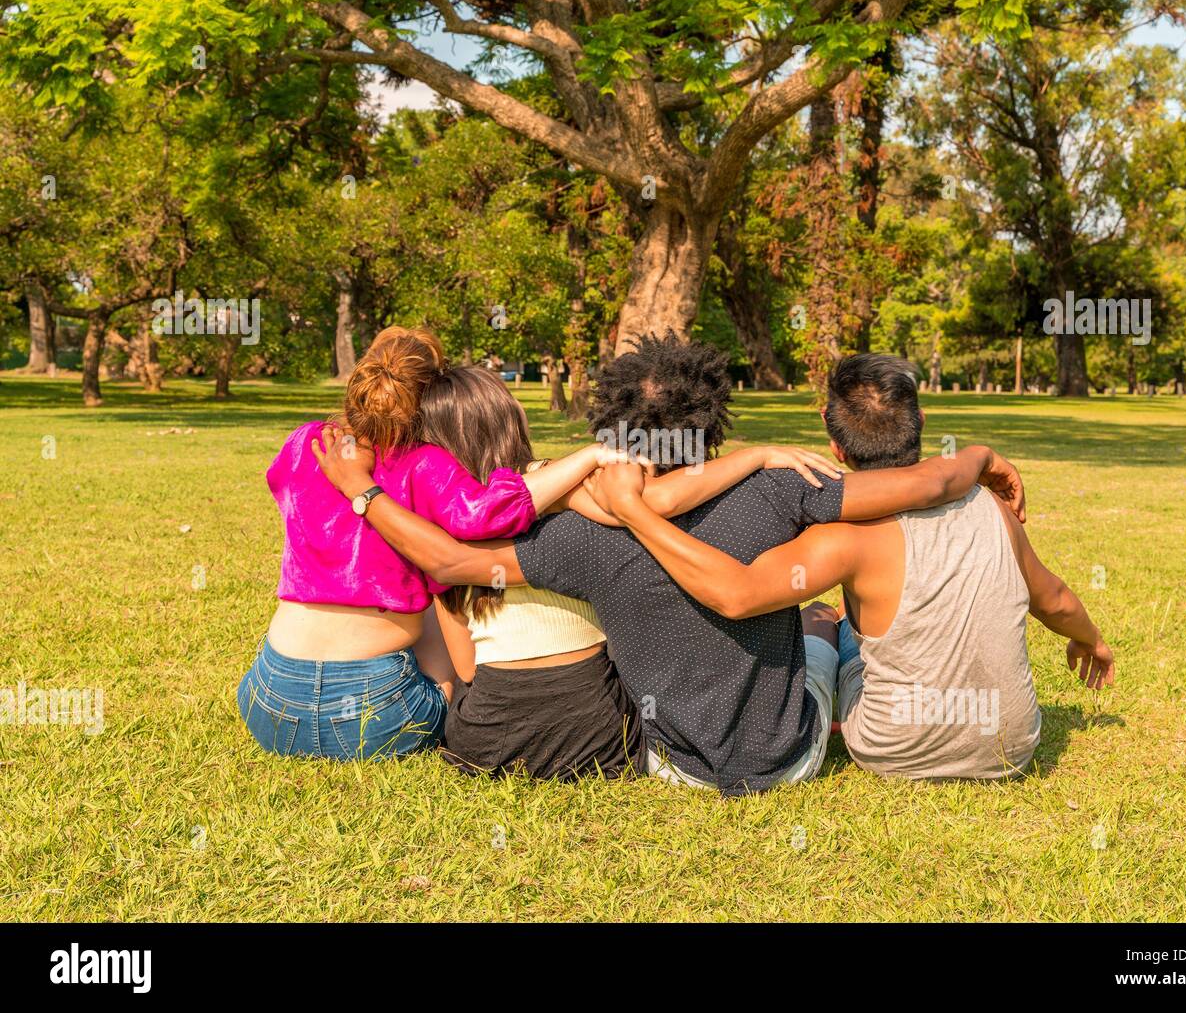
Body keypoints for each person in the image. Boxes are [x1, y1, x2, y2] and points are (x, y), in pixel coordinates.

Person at [311, 335, 1026, 794]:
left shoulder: (577, 534)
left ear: (609, 422)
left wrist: (369, 495)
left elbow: (458, 561)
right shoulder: (781, 486)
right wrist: (978, 461)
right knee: (821, 619)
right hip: (793, 755)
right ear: (713, 420)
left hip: (675, 766)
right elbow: (921, 485)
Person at [587, 353, 1114, 781]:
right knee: (845, 624)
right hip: (1013, 745)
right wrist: (1090, 640)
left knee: (823, 622)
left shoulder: (842, 536)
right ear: (921, 421)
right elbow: (1056, 599)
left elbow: (737, 595)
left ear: (831, 437)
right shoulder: (992, 507)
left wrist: (634, 511)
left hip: (892, 749)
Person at [412, 365, 843, 781]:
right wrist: (756, 456)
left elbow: (467, 667)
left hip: (493, 743)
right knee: (821, 624)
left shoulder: (451, 531)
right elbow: (649, 502)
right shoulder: (562, 489)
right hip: (605, 739)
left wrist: (366, 494)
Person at [240, 328, 627, 761]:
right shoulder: (423, 463)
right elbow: (483, 513)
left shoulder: (305, 442)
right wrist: (589, 457)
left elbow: (281, 486)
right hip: (380, 714)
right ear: (430, 399)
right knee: (433, 587)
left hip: (268, 703)